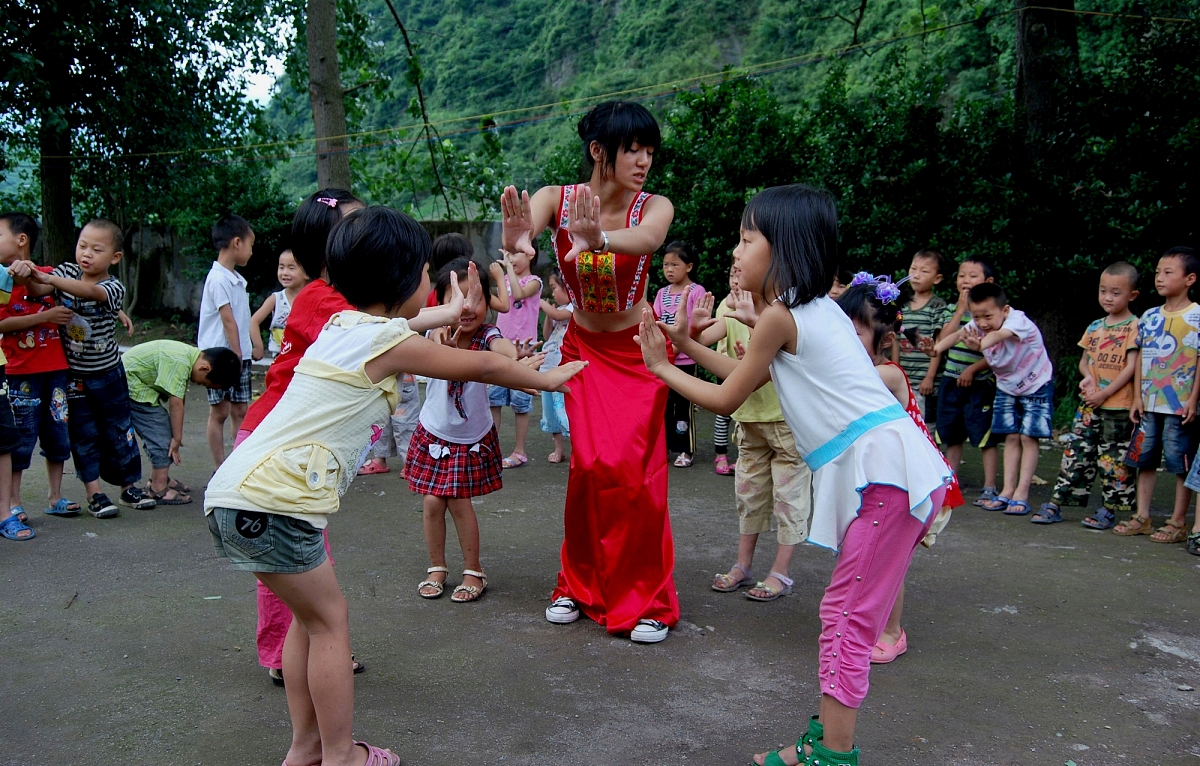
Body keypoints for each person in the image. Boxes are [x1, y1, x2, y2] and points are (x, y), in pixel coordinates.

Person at [204, 206, 585, 766]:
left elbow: (404, 328)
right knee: (330, 622)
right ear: (408, 281)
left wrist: (448, 311)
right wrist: (545, 377)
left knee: (307, 621)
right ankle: (341, 756)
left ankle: (306, 748)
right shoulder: (383, 342)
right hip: (279, 503)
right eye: (428, 279)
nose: (431, 291)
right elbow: (473, 366)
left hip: (235, 494)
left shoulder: (343, 326)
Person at [638, 184, 951, 766]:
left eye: (747, 238)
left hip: (884, 476)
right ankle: (827, 743)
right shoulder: (808, 312)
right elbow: (745, 371)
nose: (735, 251)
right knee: (848, 612)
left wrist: (661, 366)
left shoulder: (783, 316)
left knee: (845, 617)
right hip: (897, 470)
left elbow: (728, 397)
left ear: (785, 250)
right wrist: (684, 343)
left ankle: (832, 755)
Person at [501, 100, 678, 643]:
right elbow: (523, 232)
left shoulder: (655, 206)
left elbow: (647, 241)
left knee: (638, 474)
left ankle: (649, 599)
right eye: (632, 149)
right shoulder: (559, 198)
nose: (644, 160)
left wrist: (599, 240)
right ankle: (576, 585)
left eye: (650, 150)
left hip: (637, 353)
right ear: (600, 151)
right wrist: (519, 243)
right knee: (590, 470)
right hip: (583, 349)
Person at [834, 276, 965, 665]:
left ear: (885, 339)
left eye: (853, 332)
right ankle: (871, 623)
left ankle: (892, 632)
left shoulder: (886, 374)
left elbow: (836, 383)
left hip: (917, 484)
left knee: (892, 563)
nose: (841, 340)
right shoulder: (867, 369)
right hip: (890, 483)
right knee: (879, 558)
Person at [11, 219, 154, 517]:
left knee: (119, 428)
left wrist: (45, 277)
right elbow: (37, 288)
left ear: (115, 258)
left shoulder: (112, 286)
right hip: (74, 376)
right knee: (82, 433)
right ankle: (95, 493)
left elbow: (90, 293)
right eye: (82, 246)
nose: (86, 254)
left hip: (108, 373)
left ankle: (128, 486)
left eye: (96, 249)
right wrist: (29, 274)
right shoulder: (64, 271)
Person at [690, 277, 812, 603]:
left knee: (789, 497)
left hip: (786, 421)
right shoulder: (730, 308)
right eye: (732, 270)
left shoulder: (786, 311)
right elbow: (700, 343)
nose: (735, 276)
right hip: (749, 419)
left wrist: (755, 328)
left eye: (741, 267)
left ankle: (781, 572)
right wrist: (693, 330)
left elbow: (787, 357)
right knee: (749, 493)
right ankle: (742, 565)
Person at [409, 259, 521, 603]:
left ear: (489, 303)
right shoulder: (433, 334)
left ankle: (474, 569)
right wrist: (441, 344)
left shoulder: (488, 337)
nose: (468, 307)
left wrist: (510, 358)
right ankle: (437, 567)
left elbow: (507, 352)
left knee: (459, 501)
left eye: (477, 297)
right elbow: (406, 329)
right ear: (442, 305)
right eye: (458, 298)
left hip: (469, 437)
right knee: (431, 501)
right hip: (434, 432)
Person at [935, 283, 1054, 516]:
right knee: (1010, 437)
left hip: (1036, 384)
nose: (982, 323)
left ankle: (1022, 491)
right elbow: (960, 334)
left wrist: (980, 344)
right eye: (976, 317)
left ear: (1005, 310)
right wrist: (935, 349)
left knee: (1028, 437)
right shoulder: (979, 324)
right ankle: (1007, 491)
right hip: (1008, 386)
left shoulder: (1017, 321)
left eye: (987, 316)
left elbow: (999, 335)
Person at [1038, 262, 1140, 528]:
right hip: (1090, 404)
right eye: (1103, 290)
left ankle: (1109, 509)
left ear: (1132, 295)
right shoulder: (1095, 326)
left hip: (1117, 406)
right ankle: (1057, 503)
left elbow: (1132, 367)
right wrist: (1089, 379)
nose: (1108, 297)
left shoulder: (1134, 327)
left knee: (1113, 458)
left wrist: (1104, 392)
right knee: (1076, 452)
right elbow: (1085, 361)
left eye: (1116, 292)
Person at [1115, 246, 1200, 544]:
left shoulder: (1198, 316)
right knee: (1144, 459)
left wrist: (1193, 399)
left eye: (1168, 272)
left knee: (1181, 463)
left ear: (1190, 279)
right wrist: (1137, 396)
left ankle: (1178, 521)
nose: (1160, 278)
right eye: (1157, 273)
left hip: (1181, 406)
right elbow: (1139, 358)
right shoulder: (1149, 316)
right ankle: (1143, 515)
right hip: (1149, 403)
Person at [0, 213, 78, 525]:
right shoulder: (3, 280)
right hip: (20, 372)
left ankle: (55, 495)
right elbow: (3, 323)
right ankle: (14, 501)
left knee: (58, 431)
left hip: (55, 370)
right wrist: (43, 319)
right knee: (19, 437)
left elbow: (44, 289)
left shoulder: (47, 274)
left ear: (22, 240)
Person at [122, 340, 241, 505]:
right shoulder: (179, 362)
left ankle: (158, 477)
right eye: (205, 383)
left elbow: (179, 397)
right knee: (161, 435)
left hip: (133, 381)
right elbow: (176, 403)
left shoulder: (188, 356)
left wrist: (176, 434)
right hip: (130, 385)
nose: (201, 385)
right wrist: (176, 439)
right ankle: (158, 488)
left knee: (163, 431)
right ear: (205, 368)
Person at [934, 257, 1000, 506]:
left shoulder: (991, 315)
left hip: (980, 382)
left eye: (972, 276)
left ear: (988, 282)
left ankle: (990, 486)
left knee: (984, 436)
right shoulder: (953, 310)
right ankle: (950, 482)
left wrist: (973, 369)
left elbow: (1000, 351)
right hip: (951, 379)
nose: (965, 280)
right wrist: (961, 311)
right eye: (962, 275)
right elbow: (943, 338)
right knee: (951, 434)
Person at [198, 214, 260, 468]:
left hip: (238, 356)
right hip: (221, 357)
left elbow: (242, 319)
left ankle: (238, 466)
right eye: (251, 245)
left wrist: (250, 348)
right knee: (220, 412)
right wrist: (236, 355)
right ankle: (219, 467)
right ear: (237, 242)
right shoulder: (218, 278)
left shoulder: (235, 279)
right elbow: (228, 320)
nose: (252, 251)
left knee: (239, 410)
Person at [653, 241, 707, 466]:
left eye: (675, 264)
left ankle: (686, 450)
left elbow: (697, 325)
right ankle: (664, 448)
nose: (669, 269)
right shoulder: (661, 293)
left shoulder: (697, 291)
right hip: (665, 360)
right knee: (663, 406)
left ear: (689, 266)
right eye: (665, 264)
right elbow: (656, 322)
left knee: (684, 406)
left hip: (685, 359)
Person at [489, 246, 543, 468]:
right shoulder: (506, 282)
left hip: (525, 350)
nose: (510, 259)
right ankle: (489, 449)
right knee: (494, 400)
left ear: (530, 254)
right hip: (502, 347)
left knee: (521, 403)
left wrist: (506, 271)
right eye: (508, 255)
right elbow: (497, 304)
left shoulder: (535, 281)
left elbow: (519, 295)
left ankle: (519, 451)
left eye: (515, 254)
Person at [893, 249, 946, 420]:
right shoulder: (902, 304)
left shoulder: (937, 306)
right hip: (905, 380)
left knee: (926, 425)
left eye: (924, 271)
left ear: (937, 278)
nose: (916, 275)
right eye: (913, 269)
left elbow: (939, 342)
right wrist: (895, 370)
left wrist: (929, 377)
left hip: (925, 382)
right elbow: (896, 340)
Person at [539, 269, 574, 463]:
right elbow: (547, 335)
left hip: (562, 367)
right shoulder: (559, 311)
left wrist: (541, 303)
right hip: (548, 366)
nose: (552, 293)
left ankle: (576, 447)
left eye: (554, 288)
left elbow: (560, 316)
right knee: (550, 411)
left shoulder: (573, 308)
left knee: (564, 410)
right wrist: (548, 316)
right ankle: (559, 449)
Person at [709, 264, 740, 476]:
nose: (735, 281)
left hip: (747, 370)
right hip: (726, 368)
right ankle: (720, 454)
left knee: (742, 417)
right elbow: (717, 336)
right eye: (732, 276)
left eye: (740, 275)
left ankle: (742, 456)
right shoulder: (724, 306)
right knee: (723, 414)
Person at [250, 248, 308, 359]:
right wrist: (258, 347)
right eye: (281, 267)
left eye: (291, 268)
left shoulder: (312, 299)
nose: (285, 272)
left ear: (306, 273)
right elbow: (254, 321)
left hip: (304, 357)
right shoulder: (276, 299)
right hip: (279, 357)